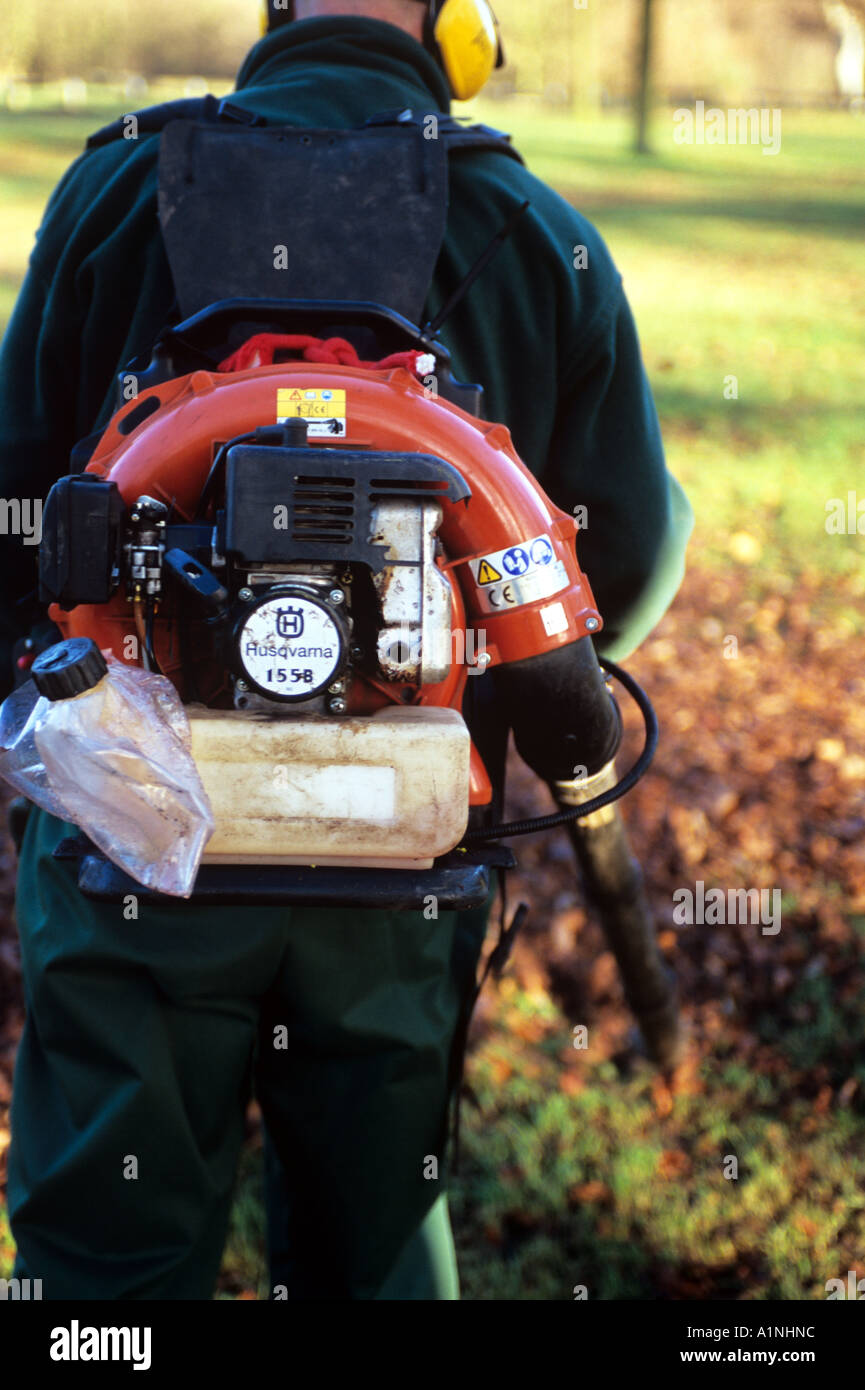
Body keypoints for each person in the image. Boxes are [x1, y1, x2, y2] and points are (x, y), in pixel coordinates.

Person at [0, 0, 692, 1300]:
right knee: (374, 1241)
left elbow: (7, 511)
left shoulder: (111, 188)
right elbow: (627, 567)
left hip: (131, 846)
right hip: (406, 843)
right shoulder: (536, 235)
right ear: (455, 26)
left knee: (105, 1263)